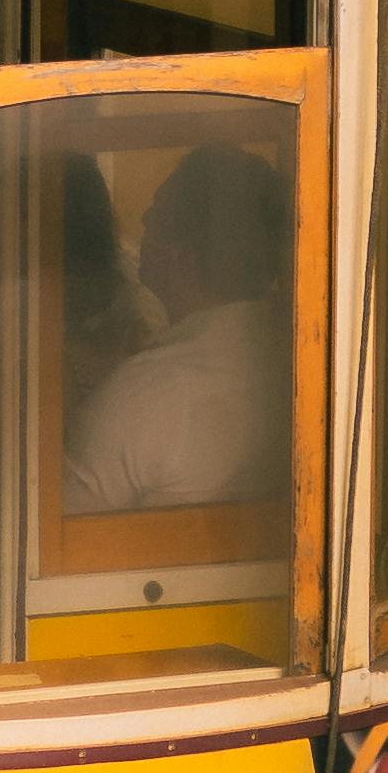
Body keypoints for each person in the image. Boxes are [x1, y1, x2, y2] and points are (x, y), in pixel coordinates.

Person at [64, 135, 296, 516]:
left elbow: (60, 538)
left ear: (183, 259)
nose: (142, 220)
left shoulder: (143, 393)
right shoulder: (296, 359)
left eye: (156, 214)